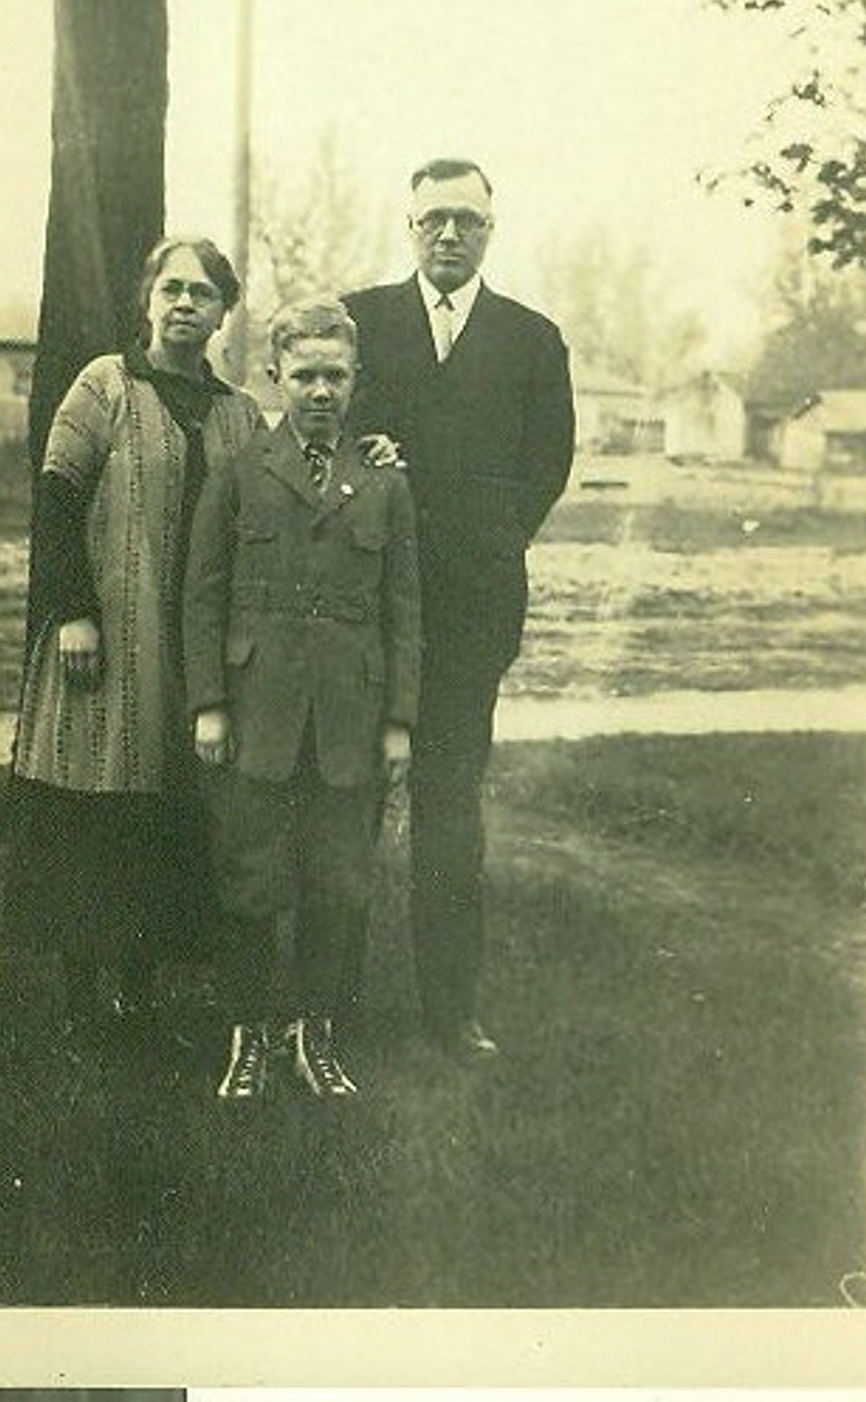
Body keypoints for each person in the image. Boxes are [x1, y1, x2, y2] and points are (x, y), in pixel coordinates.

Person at [342, 159, 575, 1060]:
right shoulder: (360, 321)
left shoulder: (531, 339)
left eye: (466, 220)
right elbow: (322, 432)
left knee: (449, 813)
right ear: (408, 226)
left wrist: (487, 539)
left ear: (490, 231)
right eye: (433, 217)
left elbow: (547, 464)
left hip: (471, 616)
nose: (449, 233)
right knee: (348, 807)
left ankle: (449, 1012)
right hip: (362, 609)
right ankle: (333, 1009)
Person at [8, 237, 260, 1043]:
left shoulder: (239, 414)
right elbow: (56, 501)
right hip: (108, 638)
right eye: (171, 288)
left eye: (203, 292)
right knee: (95, 809)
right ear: (147, 300)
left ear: (224, 312)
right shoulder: (105, 384)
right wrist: (73, 612)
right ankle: (83, 1001)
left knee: (162, 816)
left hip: (192, 651)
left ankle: (139, 994)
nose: (185, 303)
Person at [184, 297, 420, 1103]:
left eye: (336, 376)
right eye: (306, 374)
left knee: (339, 883)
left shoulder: (384, 482)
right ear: (275, 376)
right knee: (249, 879)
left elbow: (404, 611)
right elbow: (203, 597)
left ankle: (314, 1035)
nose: (321, 390)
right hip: (258, 715)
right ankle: (249, 1033)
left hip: (350, 721)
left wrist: (398, 722)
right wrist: (210, 703)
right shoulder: (240, 472)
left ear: (356, 382)